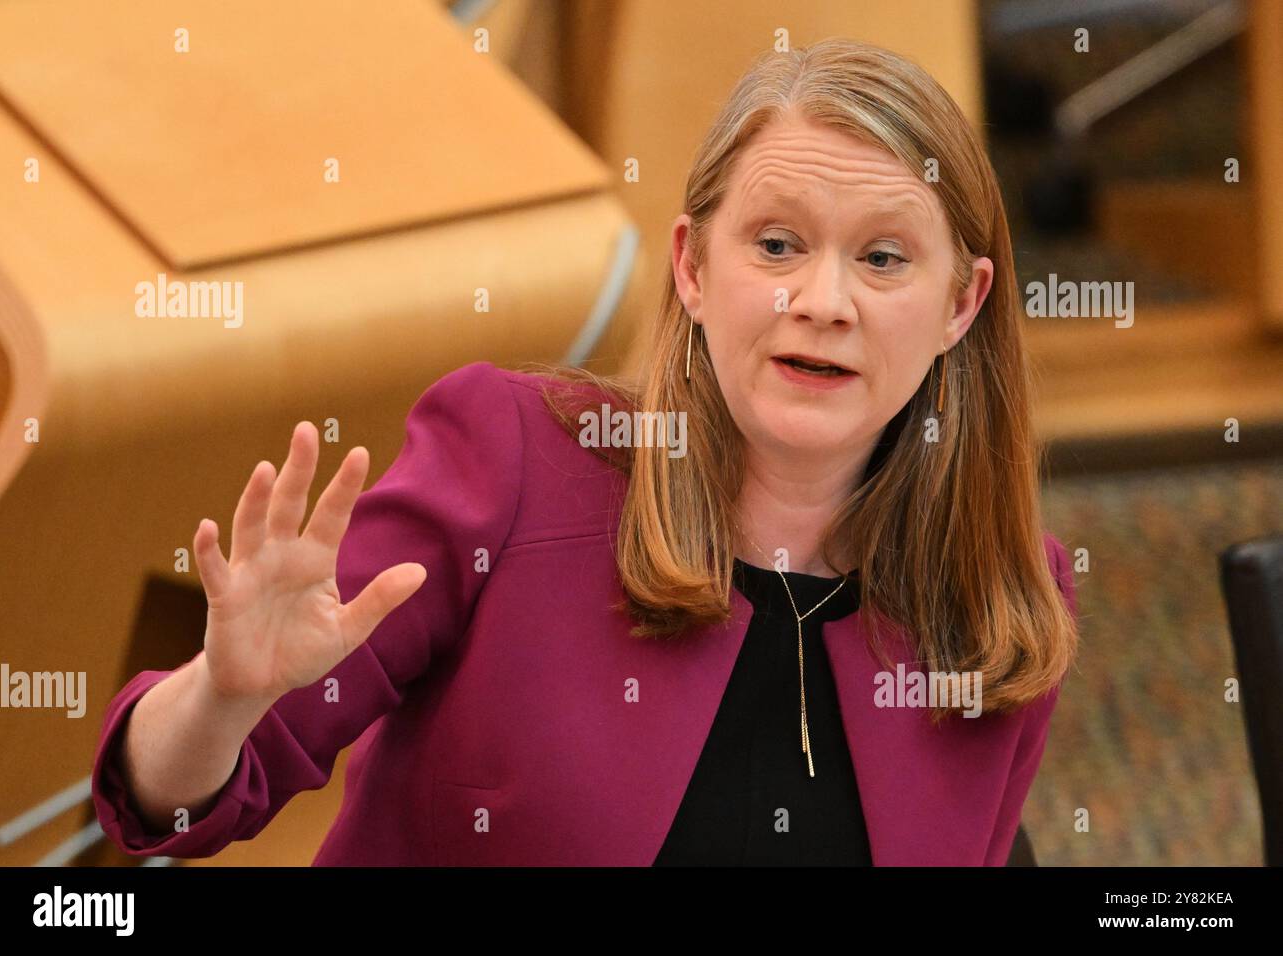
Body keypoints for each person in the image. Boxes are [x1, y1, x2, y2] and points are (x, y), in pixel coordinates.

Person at [91, 38, 1079, 866]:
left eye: (881, 257)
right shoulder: (509, 462)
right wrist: (221, 697)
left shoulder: (1001, 601)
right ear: (692, 268)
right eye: (776, 246)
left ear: (960, 304)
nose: (822, 302)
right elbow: (167, 807)